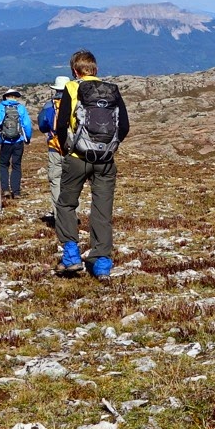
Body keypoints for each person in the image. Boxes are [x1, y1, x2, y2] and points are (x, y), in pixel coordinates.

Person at [53, 50, 130, 278]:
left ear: (75, 71)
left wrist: (68, 147)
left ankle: (71, 255)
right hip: (105, 161)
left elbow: (61, 123)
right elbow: (123, 126)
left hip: (77, 158)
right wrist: (108, 147)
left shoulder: (72, 88)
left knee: (66, 204)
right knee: (102, 211)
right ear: (95, 69)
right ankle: (102, 263)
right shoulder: (112, 90)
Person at [38, 75, 70, 225]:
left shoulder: (49, 106)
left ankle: (60, 217)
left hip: (54, 148)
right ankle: (72, 215)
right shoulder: (76, 103)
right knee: (71, 182)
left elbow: (42, 126)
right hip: (73, 149)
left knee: (56, 181)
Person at [0, 89, 32, 204]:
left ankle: (5, 189)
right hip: (18, 141)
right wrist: (27, 138)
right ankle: (16, 191)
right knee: (16, 165)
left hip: (4, 142)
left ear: (6, 97)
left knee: (3, 165)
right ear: (15, 97)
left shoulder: (1, 107)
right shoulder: (20, 108)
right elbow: (27, 125)